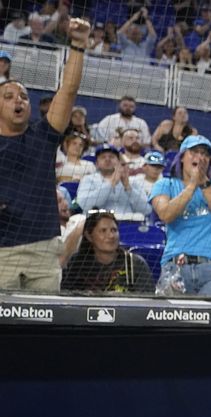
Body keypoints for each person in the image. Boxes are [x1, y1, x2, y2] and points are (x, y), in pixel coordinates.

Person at [0, 16, 89, 292]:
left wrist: (78, 44)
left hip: (44, 250)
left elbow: (69, 90)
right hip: (2, 253)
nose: (18, 100)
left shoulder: (44, 135)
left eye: (24, 96)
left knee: (46, 319)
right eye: (8, 96)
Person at [150, 135, 211, 295]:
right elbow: (165, 214)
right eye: (194, 152)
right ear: (182, 157)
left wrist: (203, 183)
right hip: (176, 266)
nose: (200, 157)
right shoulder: (165, 184)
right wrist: (192, 185)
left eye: (205, 154)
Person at [61, 209, 154, 293]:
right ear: (89, 236)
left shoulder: (134, 264)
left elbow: (147, 299)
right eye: (103, 231)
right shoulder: (77, 264)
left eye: (114, 230)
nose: (111, 236)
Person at [76, 144, 151, 215]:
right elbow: (84, 205)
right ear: (97, 164)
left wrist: (128, 188)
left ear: (119, 162)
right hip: (99, 222)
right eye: (103, 157)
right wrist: (110, 184)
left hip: (128, 222)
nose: (107, 159)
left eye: (111, 157)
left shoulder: (132, 181)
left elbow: (146, 210)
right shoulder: (88, 180)